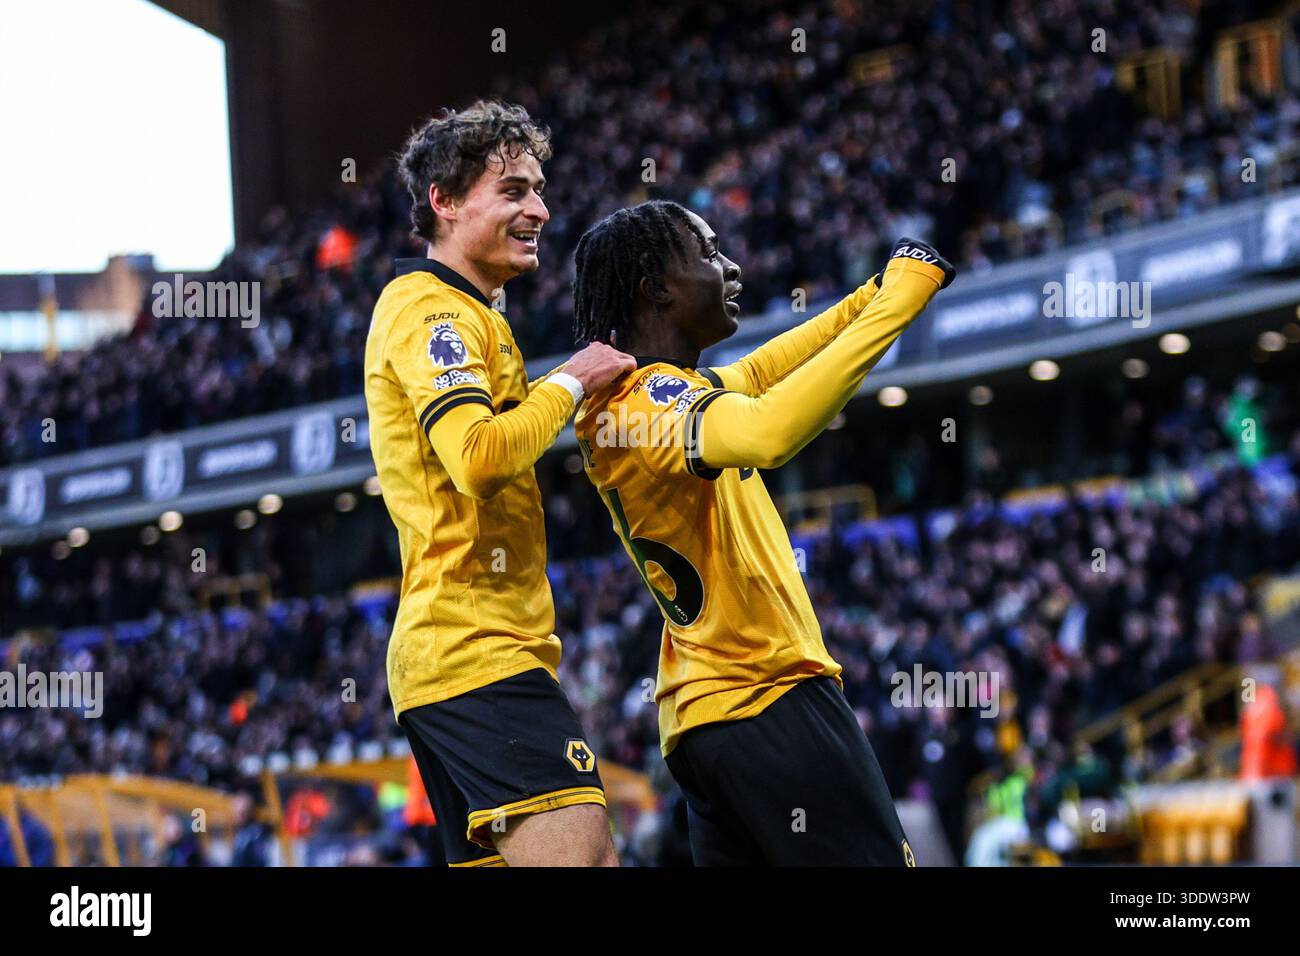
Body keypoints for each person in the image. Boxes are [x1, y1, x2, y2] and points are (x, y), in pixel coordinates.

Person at [571, 200, 953, 864]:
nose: (732, 268)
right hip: (767, 699)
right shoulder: (648, 403)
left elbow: (760, 372)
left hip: (707, 723)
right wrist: (903, 300)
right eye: (710, 255)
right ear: (657, 288)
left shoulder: (645, 395)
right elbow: (769, 432)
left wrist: (871, 296)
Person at [365, 100, 634, 866]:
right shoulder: (427, 309)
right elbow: (478, 458)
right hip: (472, 649)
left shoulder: (475, 314)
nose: (540, 209)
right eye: (513, 190)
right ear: (444, 204)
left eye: (540, 190)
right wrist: (571, 382)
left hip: (466, 655)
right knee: (586, 859)